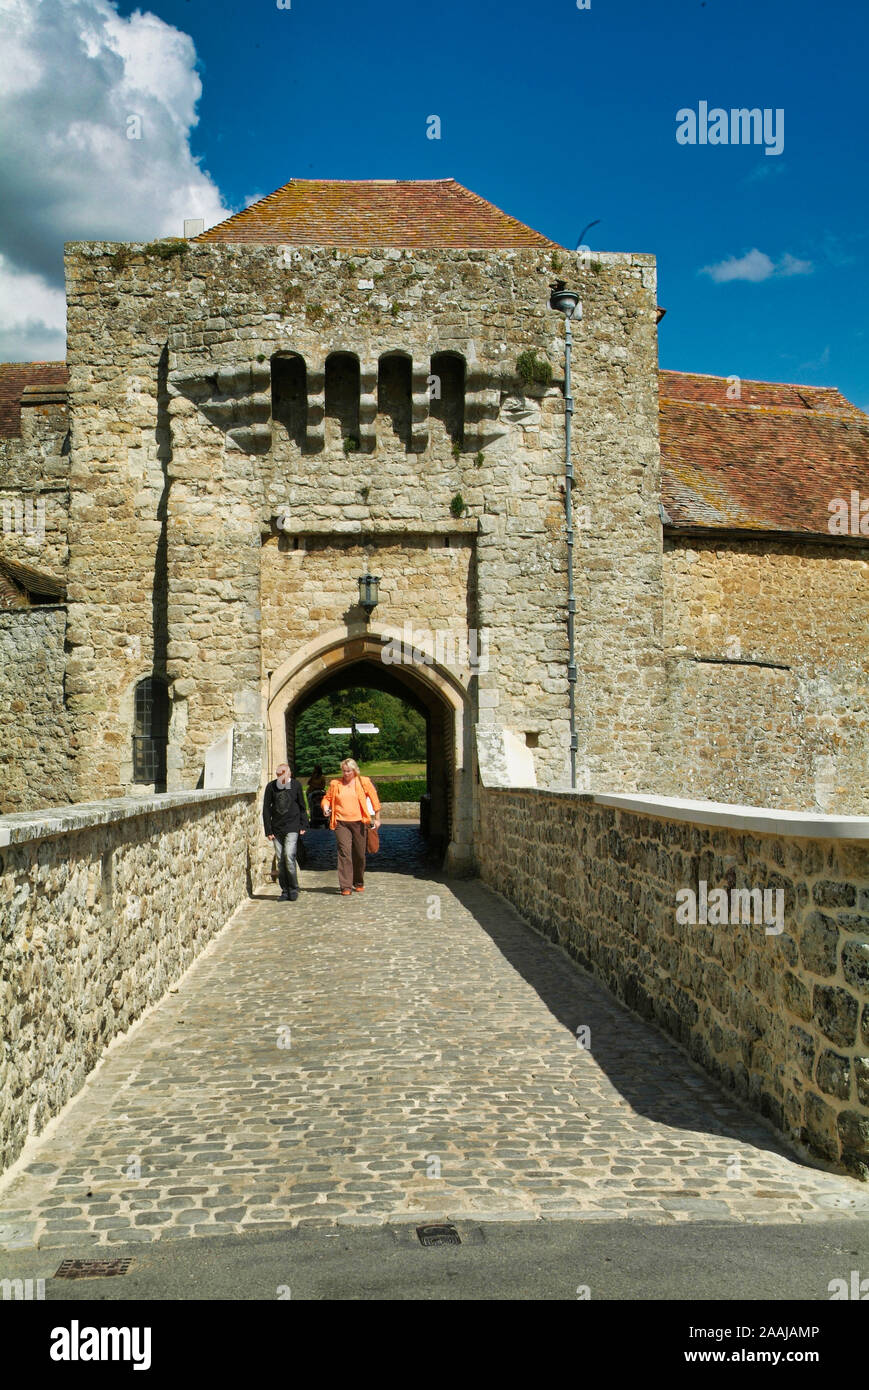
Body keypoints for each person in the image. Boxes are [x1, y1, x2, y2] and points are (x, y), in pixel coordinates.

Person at [321, 758, 381, 896]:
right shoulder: (335, 784)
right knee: (344, 852)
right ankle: (346, 886)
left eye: (348, 771)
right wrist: (325, 807)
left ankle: (358, 881)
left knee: (359, 854)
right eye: (344, 771)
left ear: (354, 770)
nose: (346, 774)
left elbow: (374, 799)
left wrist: (377, 818)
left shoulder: (363, 781)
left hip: (360, 822)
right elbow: (327, 798)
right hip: (341, 822)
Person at [263, 763, 309, 901]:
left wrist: (303, 824)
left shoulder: (295, 785)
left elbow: (302, 805)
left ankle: (293, 888)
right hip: (277, 828)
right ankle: (285, 890)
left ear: (289, 774)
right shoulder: (271, 787)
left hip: (292, 826)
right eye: (278, 775)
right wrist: (268, 829)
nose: (280, 778)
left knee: (289, 856)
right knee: (281, 860)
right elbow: (266, 808)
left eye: (283, 775)